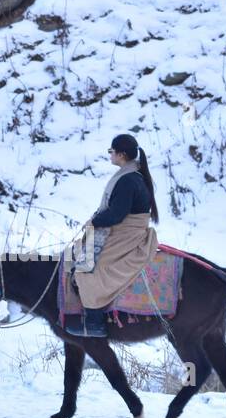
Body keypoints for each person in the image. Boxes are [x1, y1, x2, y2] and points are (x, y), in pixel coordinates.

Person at [66, 133, 160, 337]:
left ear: (122, 155)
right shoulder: (131, 175)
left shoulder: (128, 180)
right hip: (125, 230)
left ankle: (94, 323)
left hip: (126, 234)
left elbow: (116, 215)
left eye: (111, 151)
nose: (110, 155)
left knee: (89, 267)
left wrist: (94, 221)